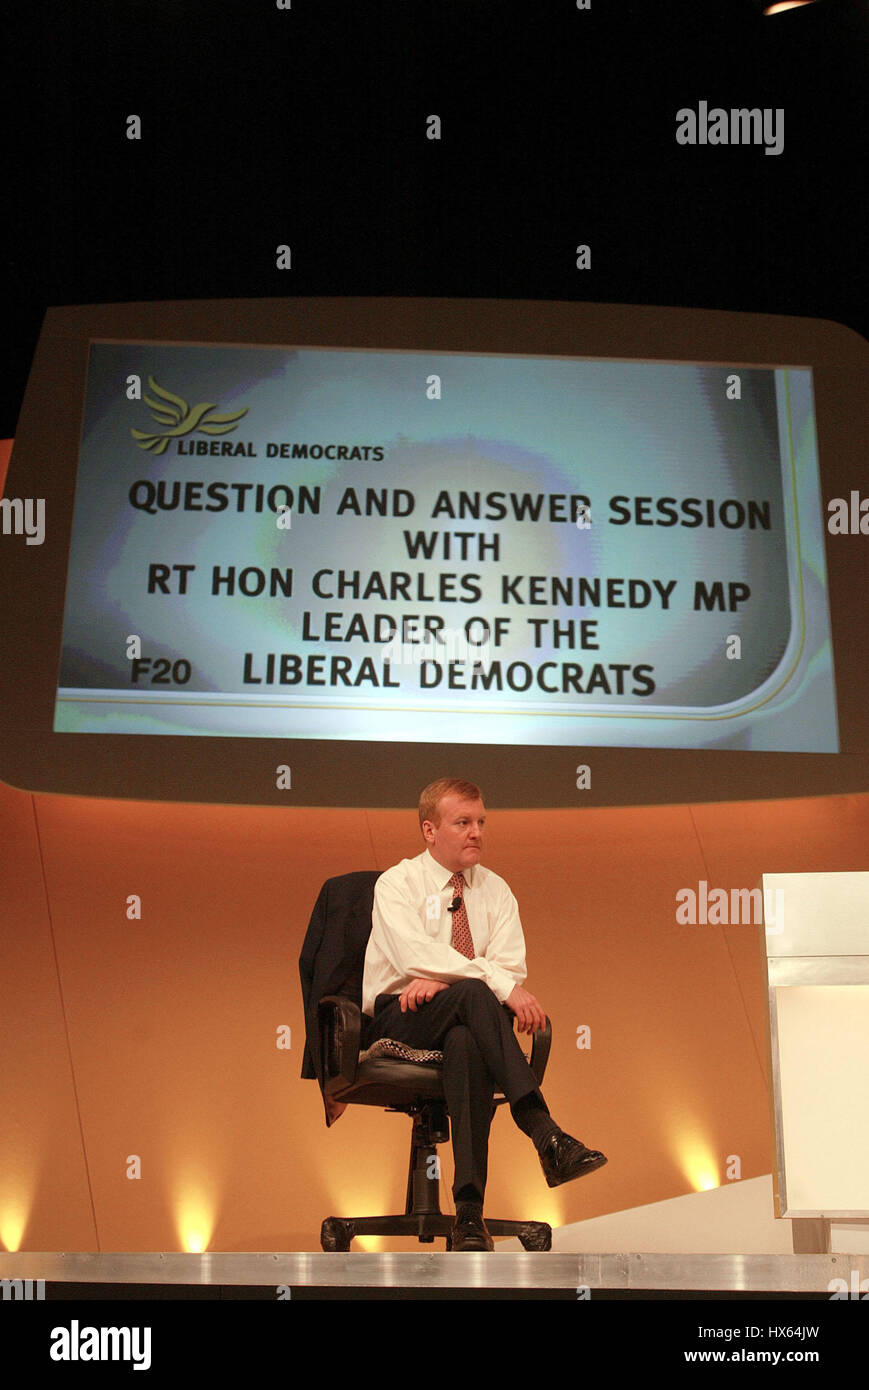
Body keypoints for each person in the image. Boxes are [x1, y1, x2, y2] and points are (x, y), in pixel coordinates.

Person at [362, 777, 607, 1251]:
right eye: (463, 823)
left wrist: (449, 975)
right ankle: (543, 1131)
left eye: (480, 823)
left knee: (466, 1042)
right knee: (478, 992)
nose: (476, 832)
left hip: (465, 1019)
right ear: (430, 831)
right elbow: (417, 955)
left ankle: (468, 1217)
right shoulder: (396, 884)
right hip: (401, 1015)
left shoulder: (496, 890)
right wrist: (472, 978)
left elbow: (510, 965)